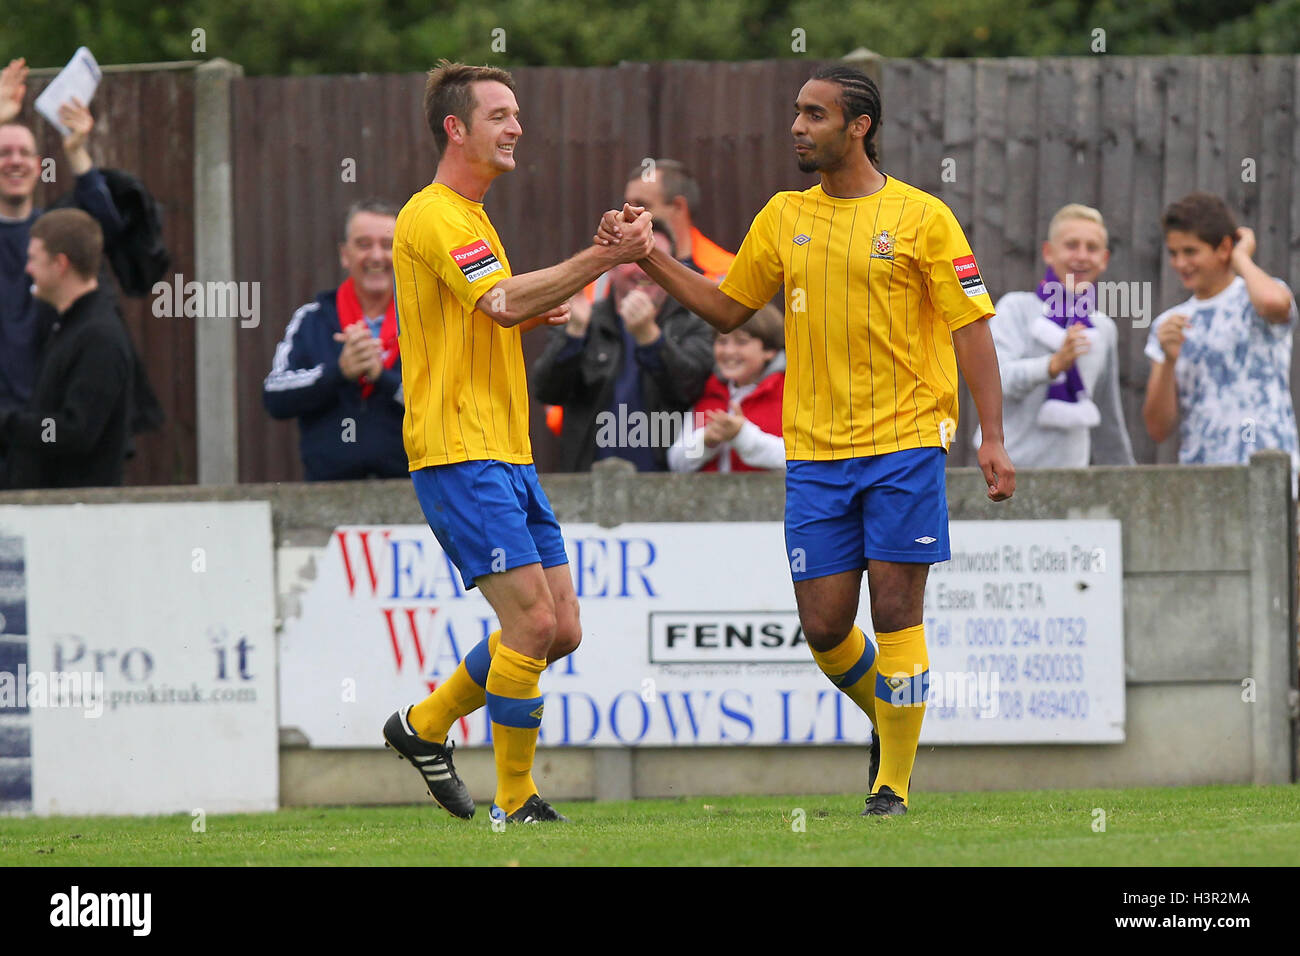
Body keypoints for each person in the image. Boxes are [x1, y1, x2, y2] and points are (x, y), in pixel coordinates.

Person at [598, 64, 1015, 816]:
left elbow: (971, 327)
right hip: (815, 452)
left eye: (815, 115)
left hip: (907, 441)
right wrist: (649, 257)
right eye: (797, 112)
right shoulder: (784, 215)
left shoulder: (923, 218)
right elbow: (728, 309)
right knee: (825, 627)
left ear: (859, 127)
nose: (798, 126)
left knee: (894, 613)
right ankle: (890, 722)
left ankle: (892, 787)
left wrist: (992, 436)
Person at [381, 61, 654, 824]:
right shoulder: (433, 214)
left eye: (517, 113)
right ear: (455, 129)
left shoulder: (473, 216)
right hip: (457, 450)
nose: (517, 127)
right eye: (500, 114)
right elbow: (499, 303)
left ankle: (424, 725)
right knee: (531, 625)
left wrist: (546, 301)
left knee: (557, 629)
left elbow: (494, 309)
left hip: (506, 449)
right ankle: (516, 802)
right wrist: (601, 260)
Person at [0, 59, 125, 482]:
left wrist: (77, 151)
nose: (14, 161)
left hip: (44, 439)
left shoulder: (54, 231)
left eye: (24, 152)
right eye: (3, 152)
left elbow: (106, 231)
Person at [547, 159, 736, 436]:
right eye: (626, 203)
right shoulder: (604, 276)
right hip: (601, 442)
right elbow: (560, 365)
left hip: (699, 448)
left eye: (640, 205)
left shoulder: (726, 274)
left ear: (679, 207)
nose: (627, 213)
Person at [1143, 192, 1298, 494]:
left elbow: (1273, 303)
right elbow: (1158, 428)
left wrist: (1241, 259)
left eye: (1190, 251)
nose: (1180, 263)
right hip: (1203, 486)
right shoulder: (1168, 324)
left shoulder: (1258, 297)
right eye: (1173, 253)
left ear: (1224, 247)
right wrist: (1168, 360)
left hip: (1273, 482)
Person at [531, 219, 714, 472]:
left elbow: (692, 391)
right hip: (591, 486)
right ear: (612, 269)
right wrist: (573, 335)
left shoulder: (692, 323)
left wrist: (651, 340)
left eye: (653, 258)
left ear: (673, 269)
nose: (643, 271)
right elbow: (546, 391)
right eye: (633, 258)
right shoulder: (584, 320)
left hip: (671, 489)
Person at [979, 204, 1135, 467]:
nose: (1082, 256)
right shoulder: (1016, 308)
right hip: (1006, 474)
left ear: (1104, 259)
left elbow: (1107, 418)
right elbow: (995, 382)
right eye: (1072, 245)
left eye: (1092, 248)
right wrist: (1052, 366)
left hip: (1071, 482)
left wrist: (1132, 486)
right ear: (1048, 253)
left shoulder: (1103, 329)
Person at [262, 200, 408, 481]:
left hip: (416, 495)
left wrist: (382, 377)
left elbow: (446, 407)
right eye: (364, 244)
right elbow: (274, 397)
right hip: (326, 497)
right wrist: (339, 372)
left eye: (388, 245)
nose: (376, 256)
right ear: (345, 254)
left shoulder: (427, 322)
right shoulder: (312, 319)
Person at [0, 209, 131, 488]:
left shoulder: (99, 337)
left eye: (33, 259)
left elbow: (73, 432)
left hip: (74, 519)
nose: (28, 269)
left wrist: (9, 424)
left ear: (60, 264)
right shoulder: (67, 327)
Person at [667, 303, 786, 473]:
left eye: (741, 342)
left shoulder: (791, 394)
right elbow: (676, 463)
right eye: (722, 341)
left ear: (770, 350)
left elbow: (800, 459)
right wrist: (706, 441)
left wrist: (742, 435)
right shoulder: (707, 391)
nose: (728, 351)